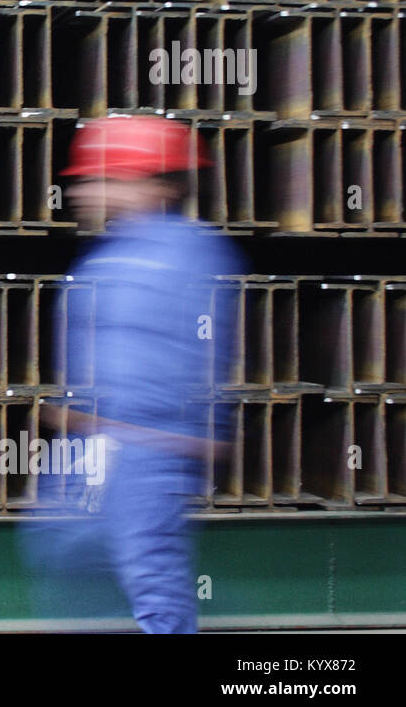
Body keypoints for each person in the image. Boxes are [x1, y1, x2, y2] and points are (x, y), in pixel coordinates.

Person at [18, 115, 245, 633]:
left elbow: (185, 362)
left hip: (146, 450)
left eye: (99, 177)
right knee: (65, 557)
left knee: (153, 582)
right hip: (95, 448)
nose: (80, 190)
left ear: (151, 182)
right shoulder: (111, 256)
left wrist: (160, 437)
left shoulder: (185, 253)